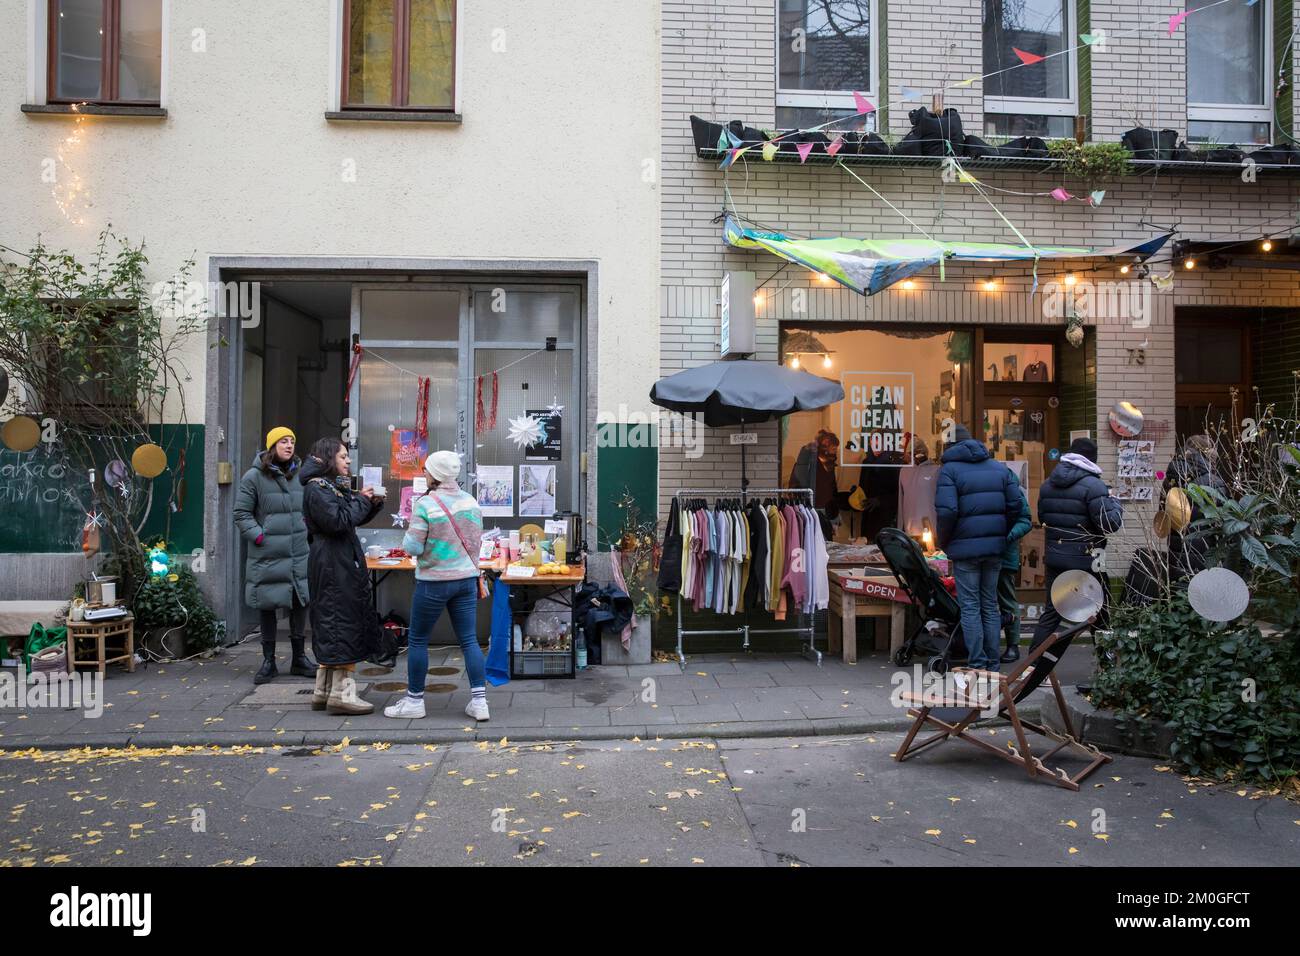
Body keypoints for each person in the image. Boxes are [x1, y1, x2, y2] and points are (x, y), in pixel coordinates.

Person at [384, 451, 490, 722]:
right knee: (469, 640)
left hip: (433, 582)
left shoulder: (425, 504)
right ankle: (479, 702)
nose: (424, 473)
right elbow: (476, 543)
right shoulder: (471, 502)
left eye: (426, 469)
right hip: (466, 580)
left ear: (434, 474)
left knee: (418, 639)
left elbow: (413, 546)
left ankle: (414, 701)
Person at [300, 437, 385, 715]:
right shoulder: (318, 489)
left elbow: (348, 517)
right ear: (328, 460)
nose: (348, 461)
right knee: (340, 622)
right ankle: (342, 695)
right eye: (343, 457)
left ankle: (323, 690)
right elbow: (338, 522)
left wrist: (370, 504)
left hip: (335, 561)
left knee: (335, 620)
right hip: (333, 563)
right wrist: (361, 500)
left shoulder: (325, 486)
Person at [934, 424, 1023, 672]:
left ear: (950, 446)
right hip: (995, 549)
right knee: (989, 604)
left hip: (964, 550)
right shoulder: (998, 468)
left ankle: (977, 662)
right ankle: (993, 663)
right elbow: (1017, 505)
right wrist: (1002, 533)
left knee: (970, 606)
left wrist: (945, 541)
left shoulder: (949, 471)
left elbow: (947, 511)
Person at [234, 427, 315, 685]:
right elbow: (241, 514)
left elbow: (309, 507)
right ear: (272, 446)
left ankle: (299, 658)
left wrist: (307, 528)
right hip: (267, 553)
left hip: (297, 551)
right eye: (283, 441)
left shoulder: (300, 475)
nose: (289, 445)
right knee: (267, 604)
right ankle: (268, 662)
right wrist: (259, 536)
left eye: (292, 440)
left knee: (300, 602)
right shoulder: (253, 477)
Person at [1031, 437, 1123, 651]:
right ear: (1092, 459)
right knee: (1101, 610)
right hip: (1087, 560)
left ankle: (1032, 669)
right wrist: (1115, 503)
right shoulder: (1094, 486)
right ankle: (1106, 665)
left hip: (1056, 557)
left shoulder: (1047, 485)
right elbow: (1110, 524)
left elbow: (1043, 517)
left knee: (1052, 613)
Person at [1162, 434, 1226, 579]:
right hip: (1206, 550)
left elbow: (1163, 514)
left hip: (1176, 548)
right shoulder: (1212, 482)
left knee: (1179, 589)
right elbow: (1225, 518)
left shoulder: (1170, 480)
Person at [999, 478, 1033, 664]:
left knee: (1007, 600)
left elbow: (1025, 520)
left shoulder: (1008, 484)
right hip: (983, 554)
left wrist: (1008, 537)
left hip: (1004, 555)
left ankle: (1013, 644)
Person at [789, 429, 841, 539]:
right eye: (833, 448)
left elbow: (832, 491)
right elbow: (799, 479)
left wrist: (835, 516)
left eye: (835, 448)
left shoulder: (829, 466)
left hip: (827, 510)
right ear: (824, 448)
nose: (835, 451)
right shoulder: (810, 464)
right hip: (812, 508)